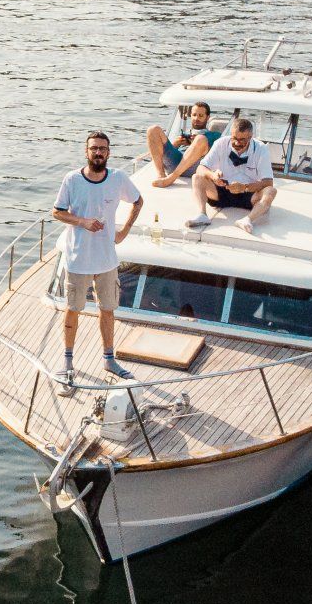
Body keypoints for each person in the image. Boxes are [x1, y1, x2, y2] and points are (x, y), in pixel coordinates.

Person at [51, 131, 143, 389]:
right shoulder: (72, 180)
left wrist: (123, 232)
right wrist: (82, 222)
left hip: (106, 261)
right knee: (73, 309)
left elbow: (138, 201)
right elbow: (57, 212)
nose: (98, 153)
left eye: (103, 149)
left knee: (107, 309)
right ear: (86, 151)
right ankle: (68, 361)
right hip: (78, 259)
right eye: (94, 149)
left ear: (109, 153)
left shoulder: (118, 178)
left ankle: (109, 359)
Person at [186, 117, 276, 234]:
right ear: (231, 134)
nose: (237, 143)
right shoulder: (221, 143)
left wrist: (244, 187)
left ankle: (247, 219)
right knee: (196, 177)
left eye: (242, 139)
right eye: (234, 138)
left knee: (271, 191)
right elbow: (200, 168)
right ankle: (202, 214)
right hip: (221, 190)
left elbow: (268, 182)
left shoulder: (261, 149)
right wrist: (213, 176)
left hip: (249, 194)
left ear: (250, 137)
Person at [144, 101, 219, 188]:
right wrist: (176, 144)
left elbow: (217, 153)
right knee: (153, 129)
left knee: (200, 139)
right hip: (175, 162)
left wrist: (195, 144)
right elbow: (163, 151)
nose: (196, 118)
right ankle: (161, 175)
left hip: (196, 166)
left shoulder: (215, 135)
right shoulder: (184, 133)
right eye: (194, 115)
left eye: (200, 116)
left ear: (207, 117)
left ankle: (171, 178)